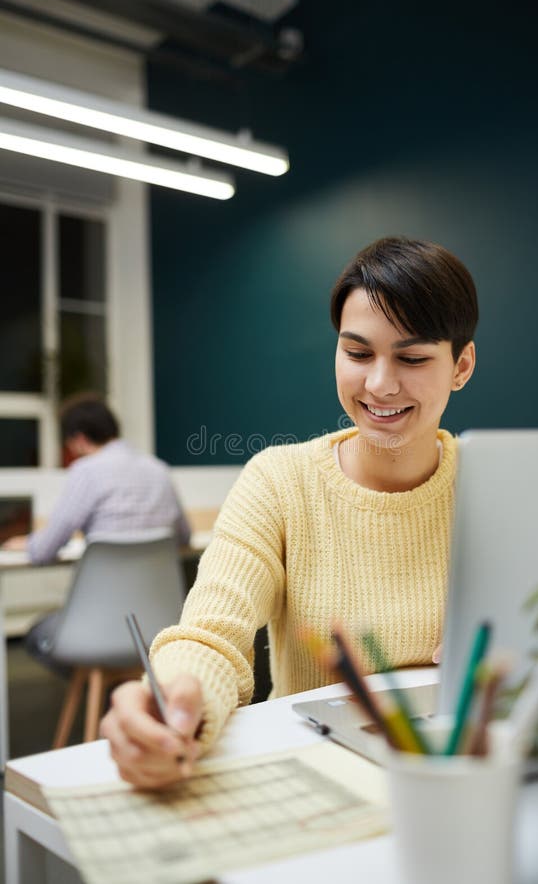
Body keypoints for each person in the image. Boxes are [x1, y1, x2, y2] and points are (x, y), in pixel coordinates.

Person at [100, 236, 478, 788]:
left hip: (462, 773)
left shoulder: (494, 482)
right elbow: (210, 631)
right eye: (357, 353)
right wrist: (180, 699)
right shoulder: (279, 480)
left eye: (413, 357)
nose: (379, 383)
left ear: (460, 365)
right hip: (321, 773)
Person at [1, 395, 191, 562]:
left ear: (80, 440)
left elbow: (45, 550)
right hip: (160, 600)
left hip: (104, 598)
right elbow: (184, 536)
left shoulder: (85, 472)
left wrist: (28, 544)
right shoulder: (158, 469)